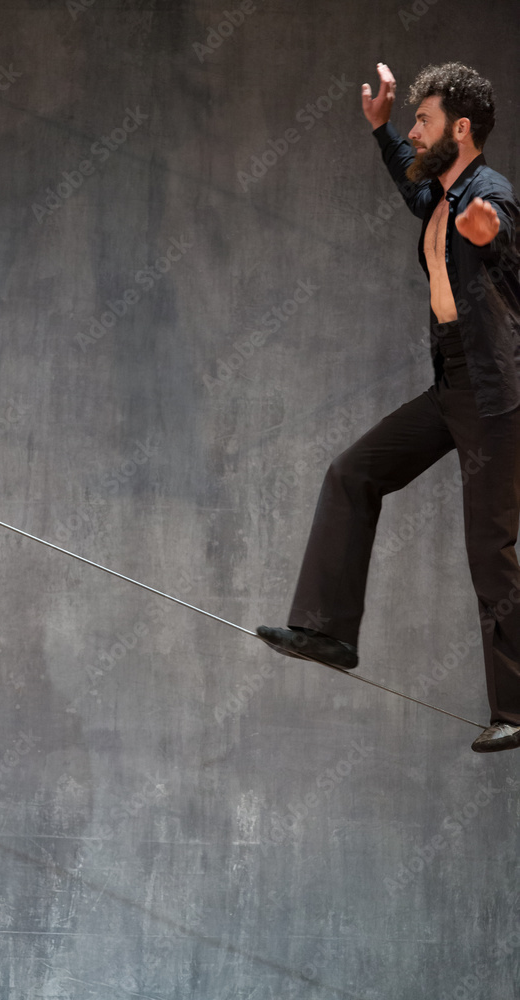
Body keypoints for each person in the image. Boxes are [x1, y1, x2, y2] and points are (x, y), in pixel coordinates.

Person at [257, 62, 520, 753]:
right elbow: (411, 176)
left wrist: (496, 242)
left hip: (495, 398)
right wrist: (380, 133)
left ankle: (517, 710)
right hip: (452, 385)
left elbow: (508, 256)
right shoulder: (441, 191)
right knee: (353, 474)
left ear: (459, 129)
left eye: (423, 121)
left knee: (489, 554)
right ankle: (327, 631)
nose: (414, 130)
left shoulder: (485, 195)